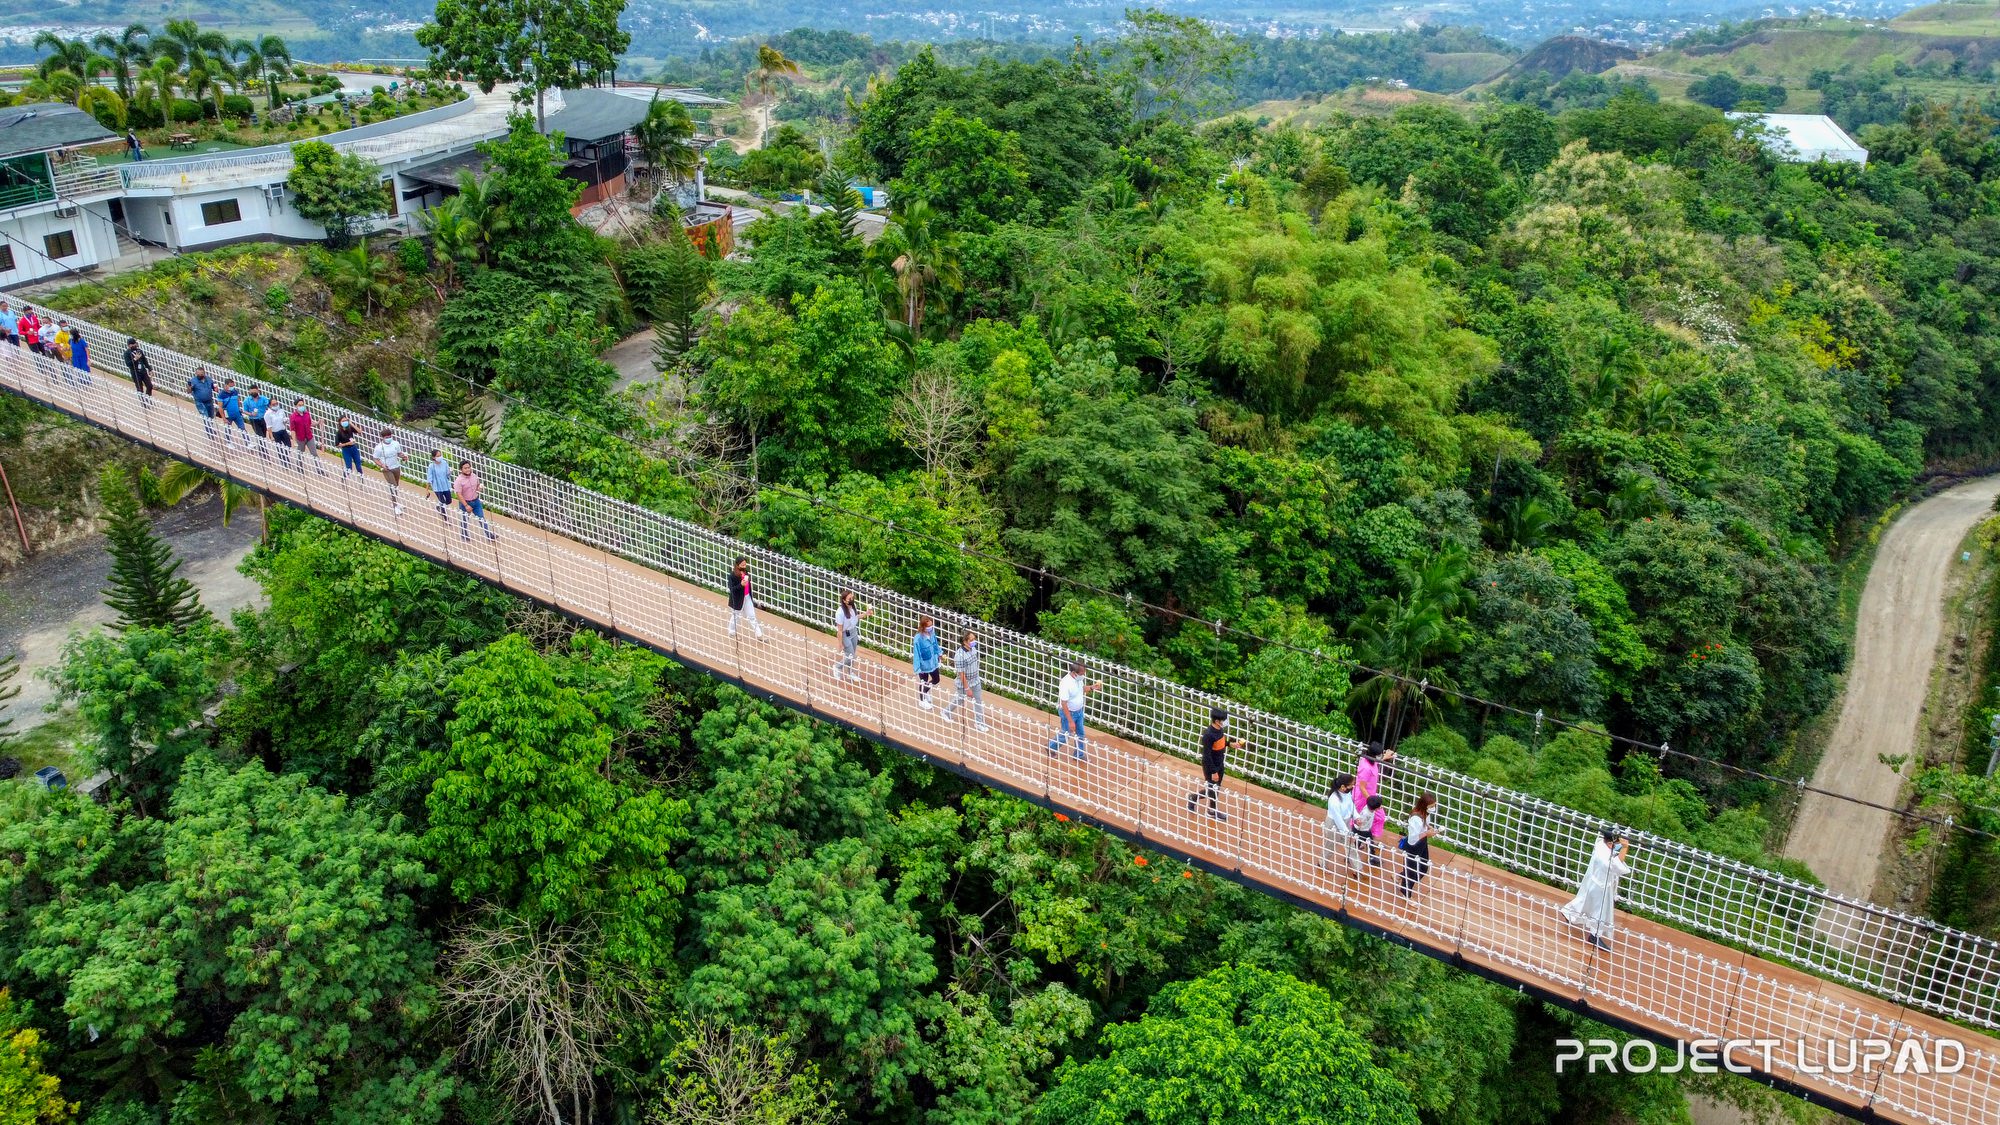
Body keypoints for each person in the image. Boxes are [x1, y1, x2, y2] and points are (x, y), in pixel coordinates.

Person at [1561, 828, 1633, 949]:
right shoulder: (1604, 856)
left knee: (1585, 900)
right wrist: (1624, 848)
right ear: (1610, 843)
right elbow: (1616, 866)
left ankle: (1568, 912)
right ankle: (1594, 935)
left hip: (1594, 881)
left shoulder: (1601, 844)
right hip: (1601, 886)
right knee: (1600, 911)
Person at [1188, 707, 1243, 820]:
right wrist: (1213, 771)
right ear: (1217, 721)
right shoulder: (1208, 735)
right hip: (1211, 766)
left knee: (1215, 788)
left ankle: (1193, 797)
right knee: (1213, 788)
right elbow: (1206, 756)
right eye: (1224, 720)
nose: (1226, 722)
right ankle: (1211, 811)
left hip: (1219, 763)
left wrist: (1230, 744)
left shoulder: (1219, 730)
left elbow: (1220, 742)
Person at [1046, 660, 1100, 761]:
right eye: (1082, 673)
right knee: (1066, 734)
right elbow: (1064, 704)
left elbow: (1081, 689)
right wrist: (1070, 721)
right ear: (1075, 673)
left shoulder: (1078, 679)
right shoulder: (1066, 683)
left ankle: (1079, 755)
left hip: (1079, 711)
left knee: (1080, 733)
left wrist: (1092, 688)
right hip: (1069, 713)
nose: (1083, 675)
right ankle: (1051, 747)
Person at [939, 628, 989, 730]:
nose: (974, 641)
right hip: (964, 683)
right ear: (965, 642)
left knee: (978, 700)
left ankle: (979, 723)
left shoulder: (973, 649)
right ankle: (946, 712)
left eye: (974, 639)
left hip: (975, 680)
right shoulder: (959, 655)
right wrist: (967, 688)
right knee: (959, 699)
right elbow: (961, 674)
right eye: (971, 640)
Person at [1323, 774, 1364, 876]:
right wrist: (1348, 833)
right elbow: (1338, 819)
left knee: (1350, 846)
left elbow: (1351, 806)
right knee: (1330, 846)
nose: (1353, 787)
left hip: (1345, 822)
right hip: (1333, 824)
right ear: (1343, 787)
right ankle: (1322, 863)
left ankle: (1358, 869)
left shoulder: (1347, 794)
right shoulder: (1334, 800)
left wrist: (1356, 817)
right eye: (1351, 785)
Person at [1398, 793, 1438, 898]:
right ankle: (1406, 894)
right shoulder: (1415, 818)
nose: (1433, 808)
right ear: (1424, 805)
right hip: (1413, 846)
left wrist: (1429, 827)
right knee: (1411, 871)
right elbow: (1412, 839)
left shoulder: (1426, 813)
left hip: (1422, 843)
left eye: (1434, 805)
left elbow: (1424, 824)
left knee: (1423, 867)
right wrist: (1426, 833)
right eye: (1431, 806)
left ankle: (1400, 876)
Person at [832, 589, 872, 682]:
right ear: (844, 600)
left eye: (852, 598)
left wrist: (866, 614)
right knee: (850, 655)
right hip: (845, 634)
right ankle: (837, 667)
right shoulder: (840, 612)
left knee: (852, 654)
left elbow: (855, 617)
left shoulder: (853, 606)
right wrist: (840, 644)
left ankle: (850, 673)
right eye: (849, 598)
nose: (852, 600)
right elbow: (840, 630)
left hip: (854, 632)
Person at [454, 461, 495, 541]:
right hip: (466, 502)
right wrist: (466, 505)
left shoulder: (474, 476)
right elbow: (459, 494)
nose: (468, 469)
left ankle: (489, 535)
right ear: (461, 470)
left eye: (469, 467)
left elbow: (477, 487)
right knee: (464, 519)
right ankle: (464, 534)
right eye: (465, 468)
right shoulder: (459, 480)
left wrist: (479, 488)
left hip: (476, 501)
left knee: (481, 518)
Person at [725, 556, 764, 640]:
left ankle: (759, 635)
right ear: (737, 565)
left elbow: (748, 586)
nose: (744, 566)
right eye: (742, 565)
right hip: (737, 599)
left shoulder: (746, 572)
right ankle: (732, 632)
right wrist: (741, 585)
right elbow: (732, 589)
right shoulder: (732, 576)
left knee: (752, 616)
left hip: (747, 597)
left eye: (745, 564)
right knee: (736, 616)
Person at [912, 616, 942, 709]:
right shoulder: (918, 639)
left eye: (931, 625)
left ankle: (925, 691)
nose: (930, 627)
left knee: (936, 679)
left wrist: (939, 653)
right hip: (923, 665)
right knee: (923, 681)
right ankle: (922, 700)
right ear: (923, 626)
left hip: (933, 662)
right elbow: (916, 654)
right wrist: (917, 668)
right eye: (928, 626)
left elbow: (935, 644)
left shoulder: (932, 633)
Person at [1355, 741, 1395, 809]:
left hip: (1371, 797)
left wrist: (1385, 757)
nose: (1381, 756)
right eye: (1379, 755)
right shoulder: (1366, 768)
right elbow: (1362, 787)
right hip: (1363, 799)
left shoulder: (1371, 761)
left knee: (1379, 815)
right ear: (1373, 755)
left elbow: (1377, 761)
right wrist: (1372, 802)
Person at [372, 428, 404, 513]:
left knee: (396, 485)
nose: (389, 438)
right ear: (382, 438)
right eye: (386, 437)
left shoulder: (395, 444)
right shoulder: (379, 447)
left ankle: (395, 501)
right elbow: (375, 458)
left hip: (396, 466)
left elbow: (398, 453)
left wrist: (403, 456)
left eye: (390, 436)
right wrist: (382, 465)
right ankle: (395, 505)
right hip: (387, 469)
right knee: (392, 485)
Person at [289, 400, 321, 471]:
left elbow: (310, 423)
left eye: (302, 405)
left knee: (314, 453)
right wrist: (294, 441)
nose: (301, 406)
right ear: (296, 406)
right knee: (300, 454)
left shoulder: (307, 414)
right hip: (300, 438)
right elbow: (292, 430)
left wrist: (317, 423)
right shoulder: (293, 416)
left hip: (309, 437)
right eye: (299, 405)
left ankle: (319, 469)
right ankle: (299, 468)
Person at [1357, 794, 1386, 866]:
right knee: (1368, 842)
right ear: (1375, 808)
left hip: (1364, 829)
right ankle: (1371, 858)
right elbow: (1361, 822)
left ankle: (1351, 855)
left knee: (1359, 841)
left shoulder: (1368, 807)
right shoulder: (1367, 814)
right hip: (1363, 830)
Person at [426, 450, 453, 517]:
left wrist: (450, 472)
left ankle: (438, 505)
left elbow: (447, 474)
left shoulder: (444, 463)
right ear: (433, 457)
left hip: (445, 485)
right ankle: (445, 517)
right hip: (437, 487)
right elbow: (429, 478)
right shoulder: (431, 466)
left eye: (440, 455)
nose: (440, 457)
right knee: (443, 502)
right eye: (438, 456)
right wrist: (427, 489)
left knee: (449, 501)